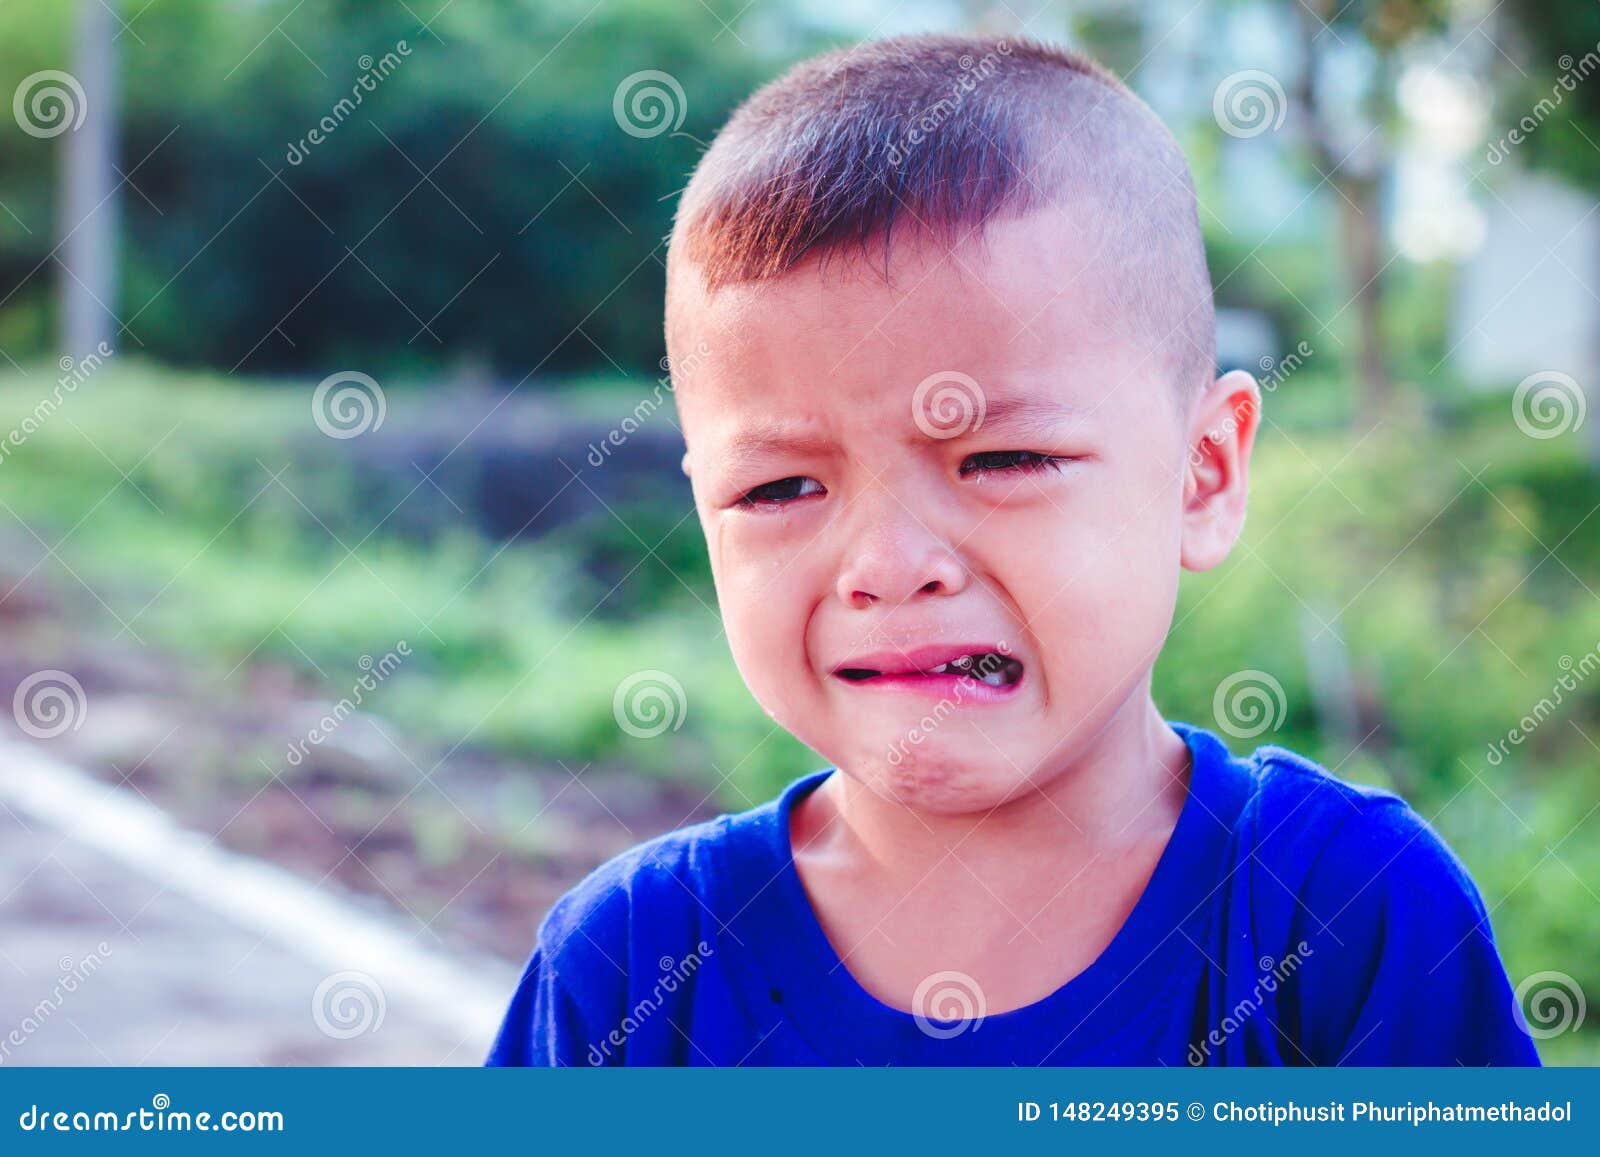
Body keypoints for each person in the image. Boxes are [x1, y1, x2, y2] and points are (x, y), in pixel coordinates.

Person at [487, 33, 1539, 1066]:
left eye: (1001, 459)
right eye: (778, 486)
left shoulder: (1341, 917)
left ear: (1203, 472)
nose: (888, 565)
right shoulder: (631, 972)